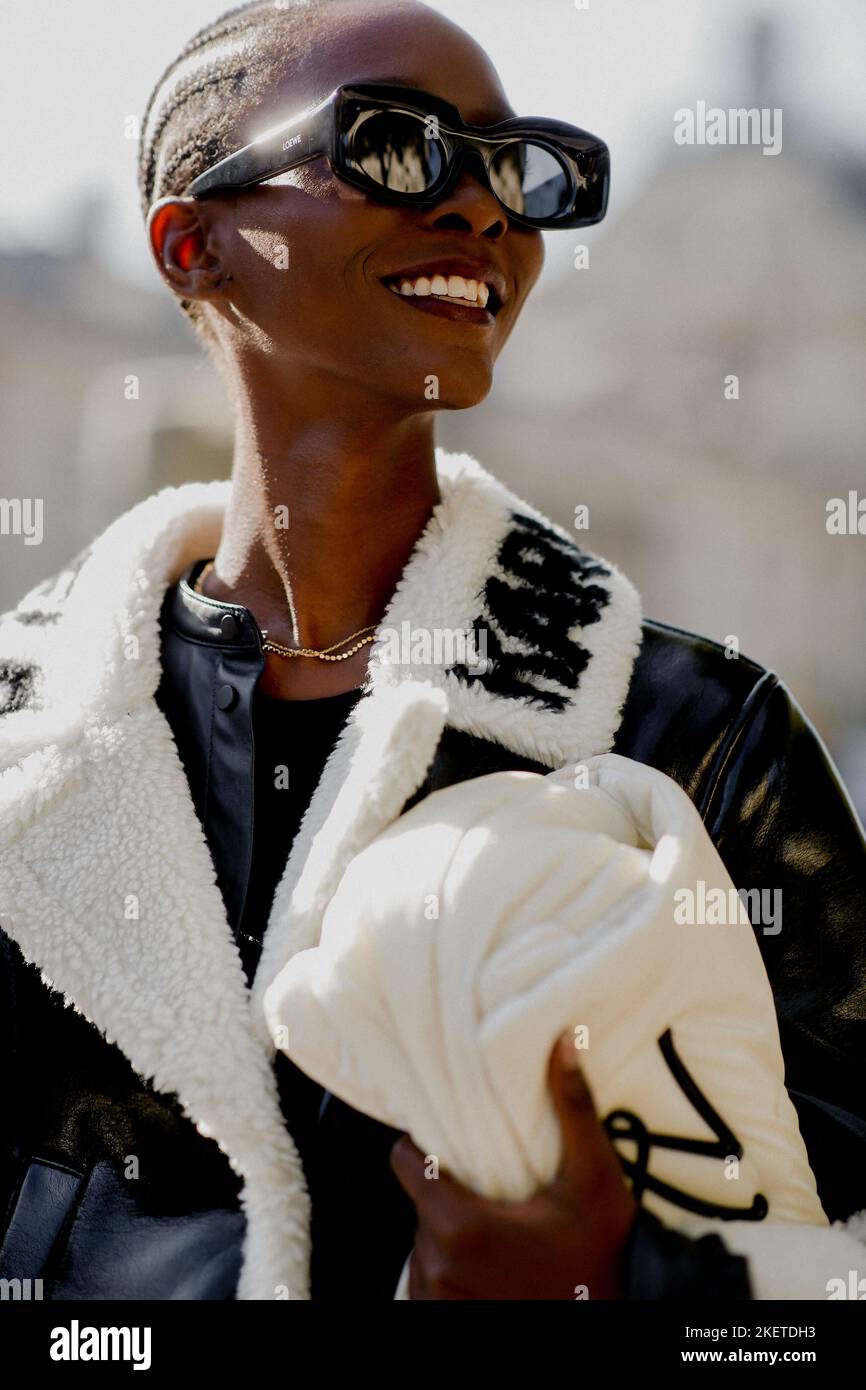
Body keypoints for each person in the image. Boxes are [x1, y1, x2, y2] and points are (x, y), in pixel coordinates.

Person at [0, 0, 863, 1302]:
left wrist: (601, 1280)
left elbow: (827, 1233)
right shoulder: (26, 735)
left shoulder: (696, 730)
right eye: (395, 145)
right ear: (192, 246)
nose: (482, 209)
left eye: (519, 168)